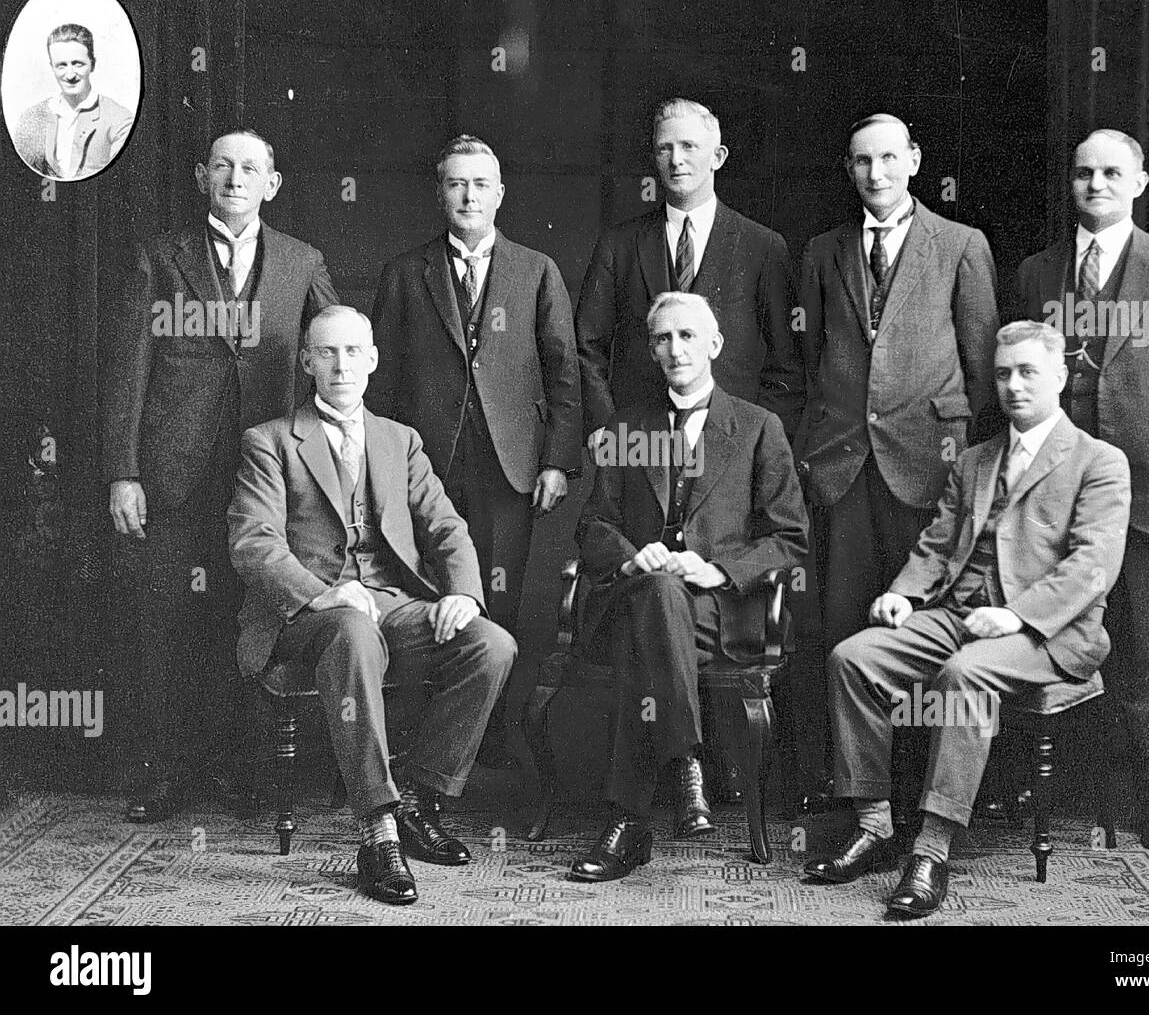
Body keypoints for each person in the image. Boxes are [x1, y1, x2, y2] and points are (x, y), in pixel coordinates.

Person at [807, 321, 1130, 917]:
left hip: (1047, 632)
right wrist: (904, 593)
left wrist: (1016, 617)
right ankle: (875, 827)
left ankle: (931, 850)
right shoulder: (978, 460)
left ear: (1059, 376)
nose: (1013, 386)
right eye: (1004, 374)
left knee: (964, 676)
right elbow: (936, 542)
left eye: (1028, 372)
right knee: (853, 658)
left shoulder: (1100, 462)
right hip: (957, 612)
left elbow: (1092, 567)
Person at [228, 306, 515, 905]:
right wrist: (324, 592)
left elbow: (445, 526)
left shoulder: (398, 440)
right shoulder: (271, 441)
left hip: (391, 603)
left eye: (352, 352)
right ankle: (377, 827)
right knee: (353, 630)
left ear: (372, 360)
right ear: (306, 362)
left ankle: (417, 800)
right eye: (326, 353)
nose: (340, 365)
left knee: (491, 644)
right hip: (304, 615)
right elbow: (253, 543)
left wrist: (462, 592)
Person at [102, 127, 338, 821]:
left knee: (252, 621)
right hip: (175, 473)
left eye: (252, 168)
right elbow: (127, 369)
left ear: (273, 183)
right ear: (202, 176)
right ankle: (169, 774)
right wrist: (123, 471)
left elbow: (338, 347)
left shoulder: (302, 262)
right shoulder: (159, 257)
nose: (236, 178)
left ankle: (242, 771)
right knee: (168, 622)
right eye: (223, 166)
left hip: (269, 479)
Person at [1015, 129, 1149, 850]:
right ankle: (1063, 788)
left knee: (1148, 649)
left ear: (1139, 182)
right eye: (1083, 174)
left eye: (1111, 173)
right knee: (1058, 633)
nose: (1095, 184)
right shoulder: (1038, 274)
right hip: (1057, 497)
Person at [568, 292, 808, 882]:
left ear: (715, 346)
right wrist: (632, 556)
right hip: (639, 599)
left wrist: (717, 568)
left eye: (688, 337)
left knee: (656, 613)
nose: (676, 349)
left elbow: (790, 538)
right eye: (663, 339)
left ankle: (630, 820)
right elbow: (592, 525)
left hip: (721, 610)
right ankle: (686, 761)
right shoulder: (629, 430)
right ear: (652, 350)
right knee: (654, 592)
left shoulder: (757, 428)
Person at [368, 134, 581, 766]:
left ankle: (494, 740)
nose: (468, 196)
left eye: (480, 184)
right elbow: (380, 379)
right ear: (440, 193)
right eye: (456, 184)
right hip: (424, 463)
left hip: (508, 463)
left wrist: (556, 461)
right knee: (425, 588)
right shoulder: (407, 272)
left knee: (501, 595)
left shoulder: (536, 269)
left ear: (499, 194)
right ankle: (425, 740)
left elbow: (563, 370)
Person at [796, 113, 1000, 652]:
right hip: (843, 462)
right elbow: (811, 360)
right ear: (849, 168)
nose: (876, 173)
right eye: (863, 160)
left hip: (931, 458)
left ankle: (919, 737)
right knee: (844, 622)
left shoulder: (960, 244)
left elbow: (981, 367)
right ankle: (853, 739)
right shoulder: (823, 251)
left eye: (889, 158)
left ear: (913, 160)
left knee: (922, 623)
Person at [575, 97, 802, 445]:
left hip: (731, 444)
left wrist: (756, 439)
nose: (676, 160)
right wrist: (608, 427)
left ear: (718, 156)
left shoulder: (763, 246)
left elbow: (786, 364)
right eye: (664, 148)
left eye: (688, 146)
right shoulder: (619, 244)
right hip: (639, 443)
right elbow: (587, 346)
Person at [13, 23, 133, 180]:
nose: (70, 75)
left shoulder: (119, 120)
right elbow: (17, 177)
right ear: (52, 68)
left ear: (93, 64)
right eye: (61, 65)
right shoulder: (32, 117)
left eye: (78, 64)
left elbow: (120, 181)